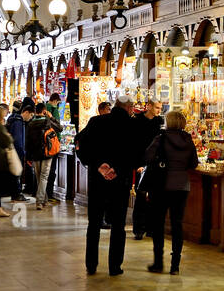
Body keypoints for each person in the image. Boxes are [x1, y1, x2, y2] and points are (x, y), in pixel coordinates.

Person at [77, 94, 140, 275]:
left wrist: (98, 166)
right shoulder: (132, 126)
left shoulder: (96, 122)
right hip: (120, 181)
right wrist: (117, 169)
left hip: (97, 181)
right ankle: (114, 266)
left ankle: (91, 264)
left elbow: (81, 145)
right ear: (129, 108)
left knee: (94, 222)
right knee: (118, 225)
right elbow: (136, 155)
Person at [143, 109, 199, 274]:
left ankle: (158, 262)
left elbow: (147, 157)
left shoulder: (161, 138)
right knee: (177, 224)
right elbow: (194, 163)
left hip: (161, 185)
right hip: (182, 186)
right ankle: (175, 265)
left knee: (158, 224)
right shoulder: (188, 140)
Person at [130, 100, 164, 239]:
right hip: (141, 164)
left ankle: (151, 228)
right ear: (148, 106)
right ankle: (139, 228)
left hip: (155, 164)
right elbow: (133, 145)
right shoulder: (137, 121)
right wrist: (137, 164)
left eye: (160, 108)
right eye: (156, 107)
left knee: (154, 197)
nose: (159, 110)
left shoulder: (159, 122)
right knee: (141, 197)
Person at [26, 101, 63, 209]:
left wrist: (28, 156)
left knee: (39, 177)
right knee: (44, 177)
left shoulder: (30, 123)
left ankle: (44, 200)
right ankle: (40, 201)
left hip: (35, 154)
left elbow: (27, 141)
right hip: (47, 153)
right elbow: (60, 128)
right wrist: (51, 117)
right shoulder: (47, 122)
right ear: (44, 111)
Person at [6, 99, 34, 200]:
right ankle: (16, 194)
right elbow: (17, 139)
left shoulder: (13, 119)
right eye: (31, 115)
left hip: (13, 151)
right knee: (16, 174)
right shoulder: (18, 122)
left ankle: (15, 193)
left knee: (14, 174)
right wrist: (22, 152)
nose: (30, 118)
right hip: (17, 152)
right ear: (26, 112)